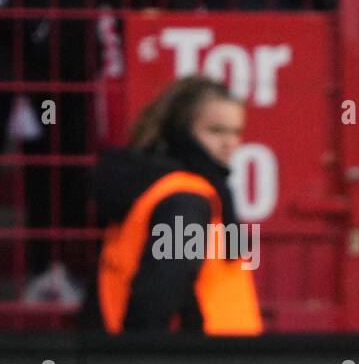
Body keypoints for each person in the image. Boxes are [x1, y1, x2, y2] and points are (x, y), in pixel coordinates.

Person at [91, 75, 261, 334]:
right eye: (215, 130)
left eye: (236, 131)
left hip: (209, 359)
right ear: (181, 131)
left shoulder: (174, 189)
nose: (230, 143)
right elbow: (161, 288)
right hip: (198, 362)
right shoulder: (186, 200)